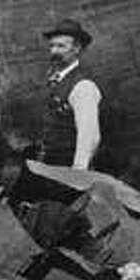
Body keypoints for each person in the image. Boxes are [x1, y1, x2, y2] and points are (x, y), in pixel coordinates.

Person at [38, 19, 103, 170]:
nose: (54, 51)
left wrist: (78, 172)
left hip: (69, 169)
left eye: (61, 46)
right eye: (52, 46)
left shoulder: (83, 86)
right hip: (50, 165)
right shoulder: (55, 79)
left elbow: (89, 136)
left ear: (77, 48)